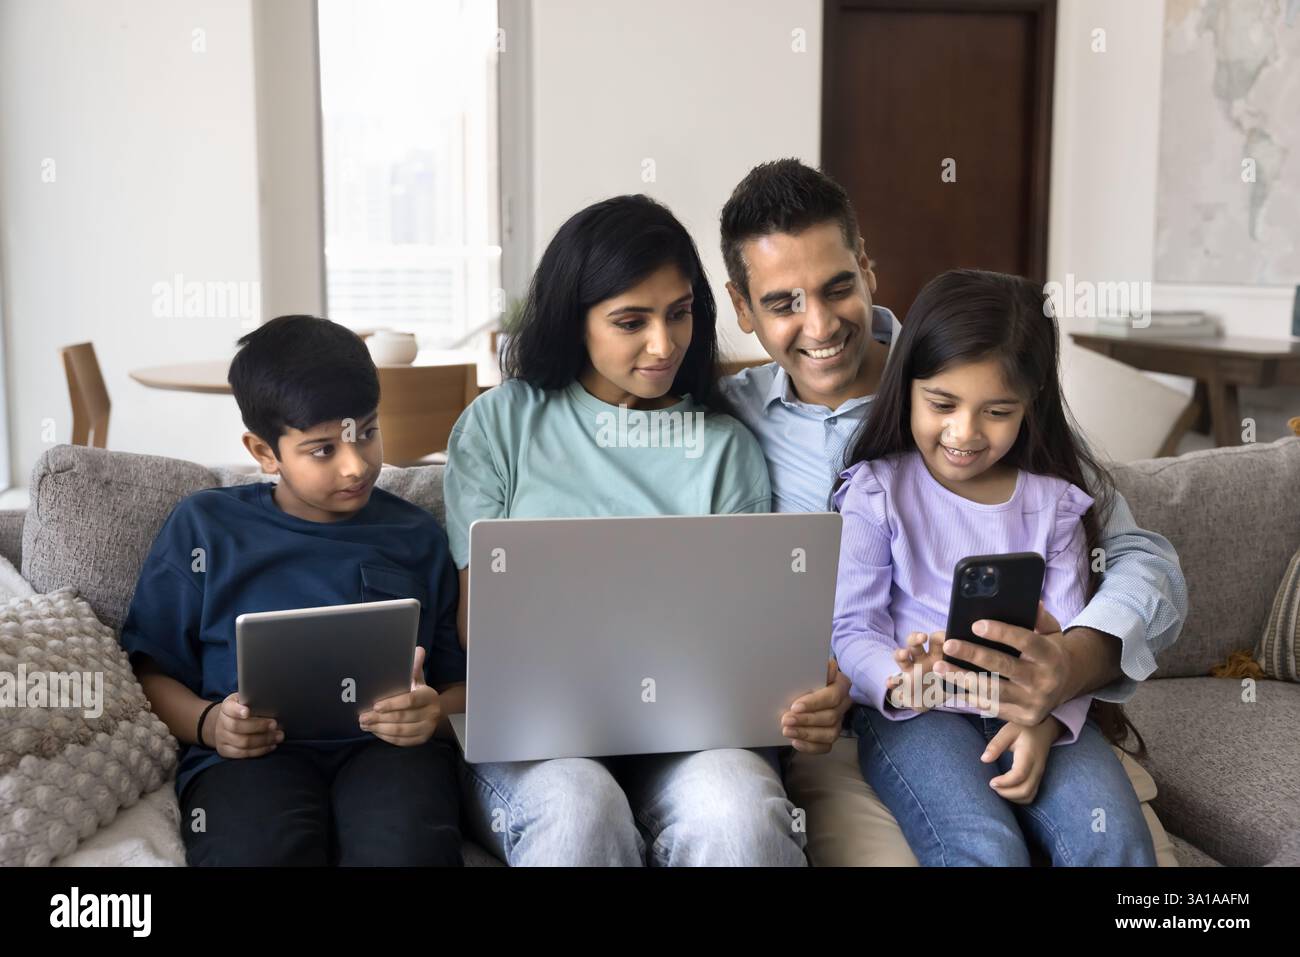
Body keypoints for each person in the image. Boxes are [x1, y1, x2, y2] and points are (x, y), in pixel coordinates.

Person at [715, 159, 1187, 865]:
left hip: (1018, 700)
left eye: (838, 286)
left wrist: (1068, 666)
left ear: (868, 268)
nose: (819, 324)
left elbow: (1137, 558)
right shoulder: (722, 425)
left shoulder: (969, 369)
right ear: (742, 308)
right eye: (783, 303)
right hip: (879, 717)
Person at [443, 194, 833, 865]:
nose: (665, 343)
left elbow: (745, 634)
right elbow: (481, 626)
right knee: (577, 813)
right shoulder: (500, 425)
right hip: (540, 740)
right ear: (577, 320)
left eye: (679, 313)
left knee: (739, 820)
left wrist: (798, 690)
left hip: (692, 736)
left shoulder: (724, 447)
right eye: (631, 321)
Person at [832, 268, 1155, 865]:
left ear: (1031, 404)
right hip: (916, 715)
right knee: (983, 849)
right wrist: (903, 678)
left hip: (1032, 702)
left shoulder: (1055, 505)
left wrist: (1046, 723)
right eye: (942, 403)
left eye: (997, 411)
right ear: (907, 387)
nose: (964, 433)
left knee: (1113, 840)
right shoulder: (876, 492)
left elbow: (1066, 636)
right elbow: (853, 630)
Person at [120, 315, 466, 866]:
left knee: (406, 851)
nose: (356, 466)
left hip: (390, 752)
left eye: (367, 432)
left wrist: (434, 713)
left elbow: (461, 685)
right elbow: (149, 671)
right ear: (263, 452)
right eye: (323, 450)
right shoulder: (205, 527)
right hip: (249, 757)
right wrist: (209, 725)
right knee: (255, 853)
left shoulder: (416, 535)